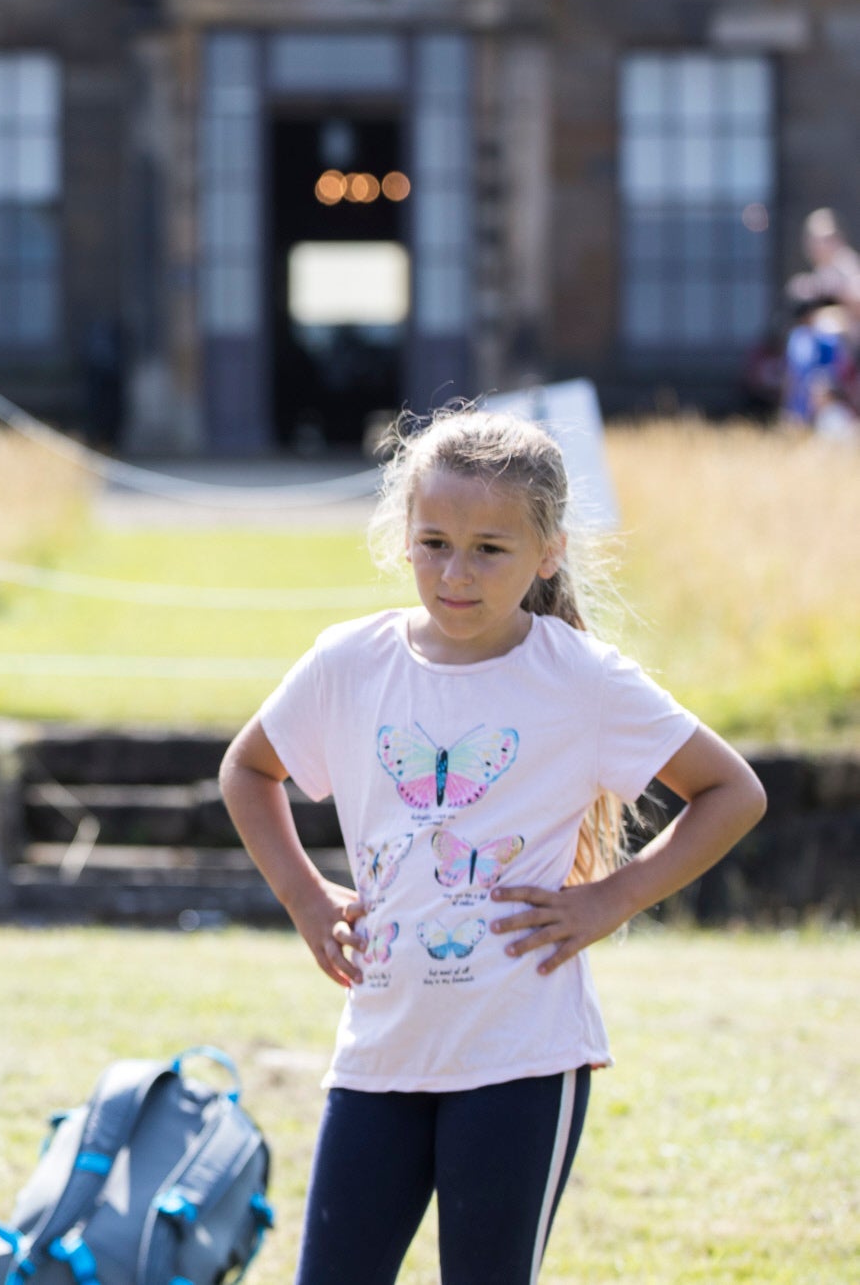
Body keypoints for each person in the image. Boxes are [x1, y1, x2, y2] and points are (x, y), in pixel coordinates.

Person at [220, 410, 766, 1285]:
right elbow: (249, 768)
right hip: (379, 1054)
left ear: (548, 551)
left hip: (521, 1057)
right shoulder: (347, 662)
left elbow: (734, 790)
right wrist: (306, 898)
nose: (455, 572)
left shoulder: (581, 678)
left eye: (489, 549)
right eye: (434, 541)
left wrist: (610, 897)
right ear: (402, 535)